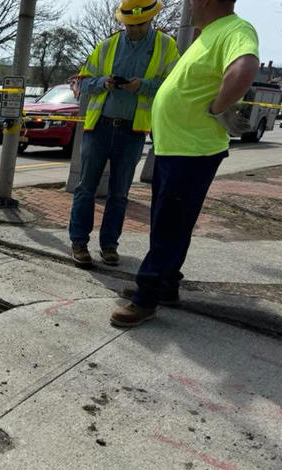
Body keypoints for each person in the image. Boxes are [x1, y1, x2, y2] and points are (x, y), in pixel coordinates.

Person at [111, 0, 259, 327]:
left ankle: (146, 298)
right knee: (171, 223)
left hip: (193, 151)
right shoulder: (208, 34)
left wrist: (220, 106)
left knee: (169, 225)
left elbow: (245, 68)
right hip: (176, 148)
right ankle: (164, 285)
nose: (188, 3)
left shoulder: (236, 30)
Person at [70, 0, 179, 268]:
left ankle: (109, 245)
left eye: (139, 25)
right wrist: (103, 82)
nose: (133, 30)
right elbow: (81, 81)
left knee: (119, 193)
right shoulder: (108, 45)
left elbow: (173, 84)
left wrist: (142, 86)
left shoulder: (166, 46)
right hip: (100, 126)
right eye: (128, 25)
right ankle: (79, 241)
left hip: (132, 130)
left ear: (151, 19)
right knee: (86, 187)